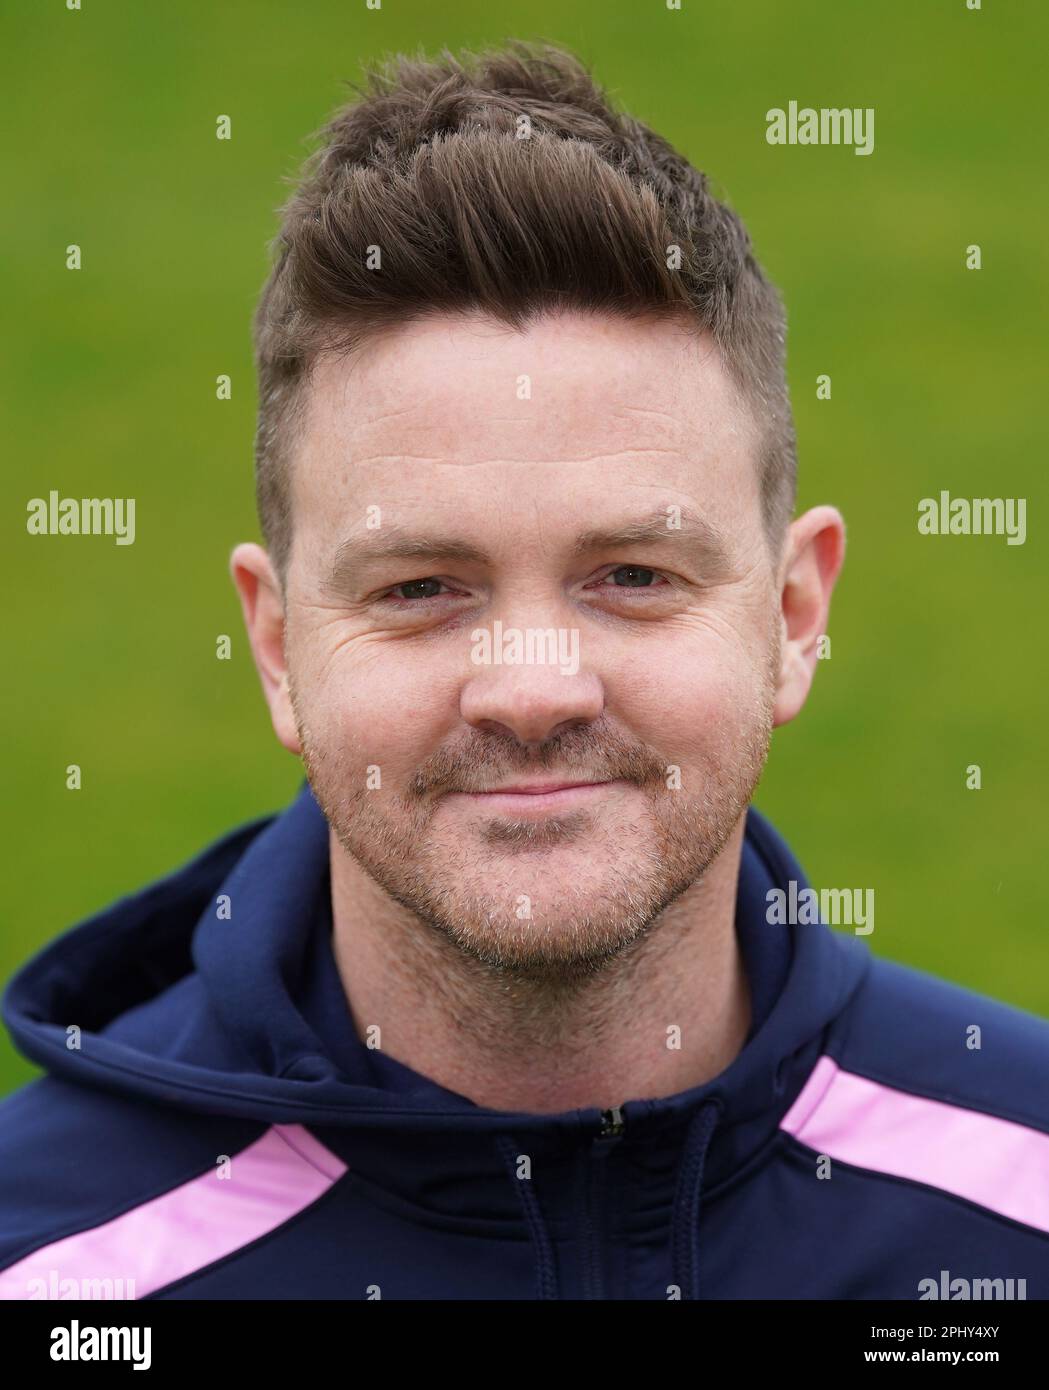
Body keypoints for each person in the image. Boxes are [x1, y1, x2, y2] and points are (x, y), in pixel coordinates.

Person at [2, 41, 1047, 1302]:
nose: (533, 690)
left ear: (791, 612)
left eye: (632, 576)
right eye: (420, 590)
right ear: (278, 647)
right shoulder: (49, 1268)